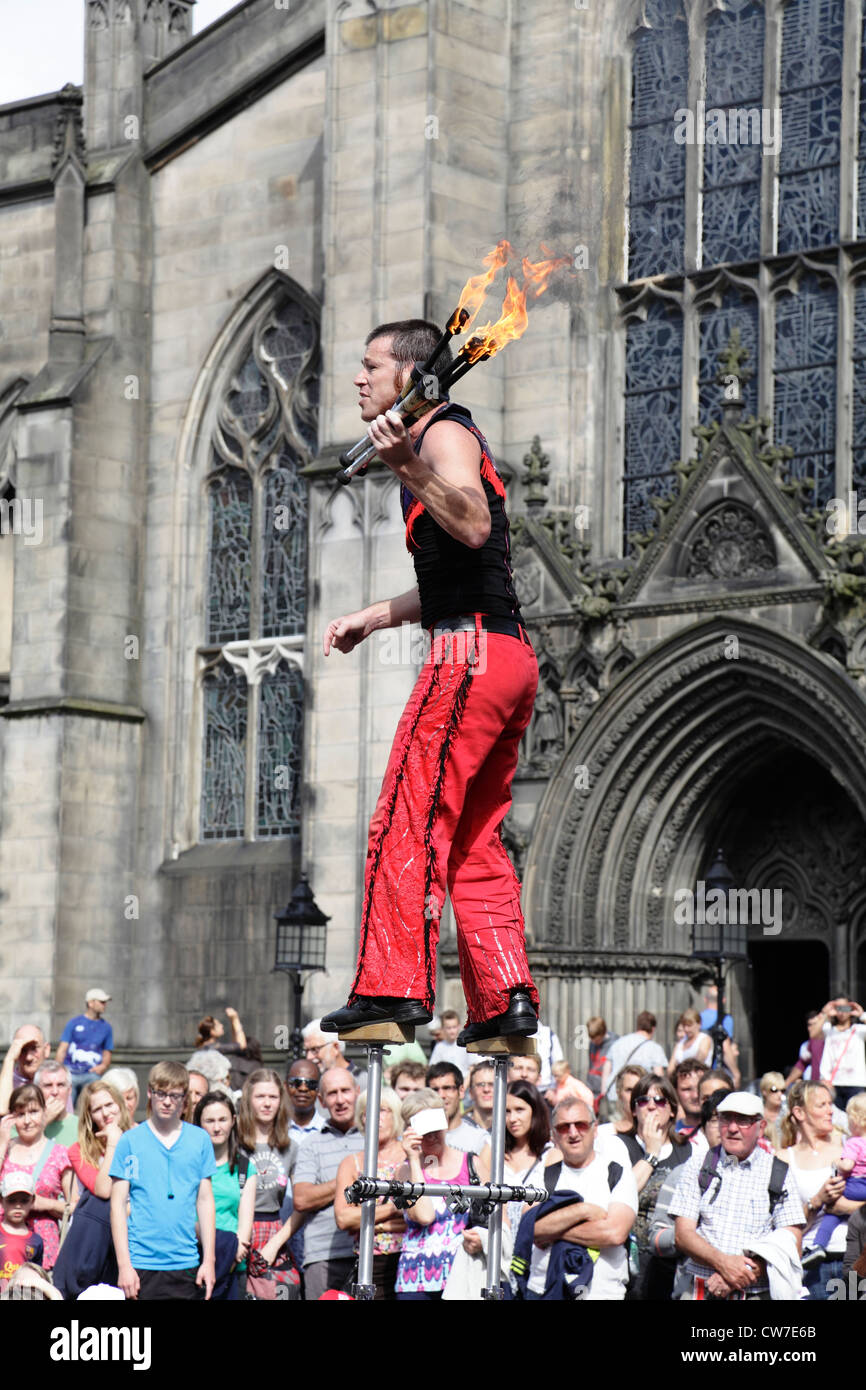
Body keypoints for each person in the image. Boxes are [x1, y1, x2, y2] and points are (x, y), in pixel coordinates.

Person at [320, 320, 540, 1047]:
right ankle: (504, 998)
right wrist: (372, 617)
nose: (358, 378)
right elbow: (458, 577)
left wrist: (408, 468)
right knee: (475, 838)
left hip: (467, 659)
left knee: (405, 818)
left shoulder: (444, 433)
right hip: (504, 654)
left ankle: (390, 989)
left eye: (370, 365)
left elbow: (473, 525)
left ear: (409, 378)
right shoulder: (441, 439)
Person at [670, 1091, 805, 1300]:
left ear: (761, 1128)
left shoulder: (778, 1172)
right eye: (725, 1119)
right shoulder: (698, 1164)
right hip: (699, 1290)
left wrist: (739, 1274)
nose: (732, 1128)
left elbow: (792, 1244)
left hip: (754, 1293)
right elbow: (682, 1235)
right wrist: (723, 1263)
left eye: (743, 1121)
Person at [109, 1061, 216, 1300]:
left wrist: (209, 1260)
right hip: (141, 1263)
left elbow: (205, 1200)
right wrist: (124, 1265)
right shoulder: (130, 1141)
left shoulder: (199, 1140)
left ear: (184, 1098)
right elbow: (117, 1205)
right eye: (161, 1093)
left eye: (174, 1095)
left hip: (186, 1261)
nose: (167, 1101)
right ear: (149, 1092)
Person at [525, 1097, 638, 1301]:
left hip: (602, 1294)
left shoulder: (617, 1173)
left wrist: (552, 1229)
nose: (573, 1133)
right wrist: (583, 1211)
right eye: (563, 1127)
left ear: (595, 1129)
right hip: (543, 1291)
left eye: (581, 1125)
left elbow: (614, 1233)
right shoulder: (542, 1174)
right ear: (554, 1136)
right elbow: (529, 1228)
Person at [778, 1079, 864, 1299]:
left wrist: (846, 1207)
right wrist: (817, 1201)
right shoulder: (785, 1159)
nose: (830, 1111)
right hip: (813, 1263)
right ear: (799, 1112)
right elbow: (783, 1228)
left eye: (830, 1104)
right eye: (821, 1105)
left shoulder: (851, 1146)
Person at [53, 1080, 132, 1299]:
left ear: (120, 1103)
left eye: (109, 1104)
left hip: (134, 1223)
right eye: (97, 1109)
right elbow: (104, 1190)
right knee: (95, 1201)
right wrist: (113, 1143)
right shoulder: (79, 1150)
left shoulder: (141, 1137)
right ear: (89, 1116)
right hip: (100, 1234)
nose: (106, 1113)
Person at [292, 1067, 364, 1300]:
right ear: (321, 1100)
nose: (340, 1100)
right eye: (332, 1093)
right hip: (323, 1254)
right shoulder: (311, 1144)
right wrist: (350, 1179)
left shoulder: (374, 1137)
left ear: (358, 1092)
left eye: (345, 1091)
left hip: (373, 1250)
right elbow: (302, 1199)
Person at [618, 1073, 691, 1299]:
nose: (651, 1106)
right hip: (629, 1261)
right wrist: (652, 1153)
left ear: (672, 1110)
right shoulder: (619, 1145)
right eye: (642, 1100)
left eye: (660, 1101)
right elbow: (622, 1194)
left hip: (672, 1261)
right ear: (633, 1110)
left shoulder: (689, 1151)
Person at [395, 1088, 473, 1299]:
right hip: (415, 1280)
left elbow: (496, 1216)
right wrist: (413, 1159)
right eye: (423, 1128)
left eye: (435, 1125)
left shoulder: (470, 1163)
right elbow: (424, 1216)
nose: (431, 1135)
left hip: (460, 1276)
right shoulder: (404, 1171)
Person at [334, 1087, 407, 1299]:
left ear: (395, 1114)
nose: (375, 1117)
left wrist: (370, 1224)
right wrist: (392, 1209)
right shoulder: (352, 1163)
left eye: (382, 1110)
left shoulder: (412, 1157)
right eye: (367, 1112)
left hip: (408, 1258)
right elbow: (343, 1218)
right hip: (369, 1264)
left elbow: (418, 1216)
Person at [236, 1069, 299, 1297]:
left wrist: (275, 1244)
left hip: (273, 1231)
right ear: (248, 1100)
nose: (267, 1104)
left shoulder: (290, 1147)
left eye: (272, 1097)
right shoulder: (235, 1142)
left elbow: (302, 1205)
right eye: (260, 1097)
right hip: (236, 1229)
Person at [0, 1084, 73, 1269]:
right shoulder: (4, 1149)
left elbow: (75, 1206)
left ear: (44, 1112)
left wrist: (46, 1204)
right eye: (20, 1114)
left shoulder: (59, 1153)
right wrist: (2, 1142)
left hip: (42, 1251)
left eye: (33, 1112)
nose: (27, 1120)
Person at [195, 1091, 257, 1300]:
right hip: (195, 1260)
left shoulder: (245, 1168)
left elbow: (245, 1224)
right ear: (199, 1124)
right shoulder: (189, 1166)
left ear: (233, 1121)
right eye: (209, 1121)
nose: (216, 1127)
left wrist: (232, 1254)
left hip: (232, 1265)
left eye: (222, 1119)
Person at [808, 1092, 866, 1258]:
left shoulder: (853, 1142)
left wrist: (836, 1163)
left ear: (855, 1120)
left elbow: (847, 1165)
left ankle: (818, 1245)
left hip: (854, 1185)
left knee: (832, 1213)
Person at [55, 989, 114, 1100]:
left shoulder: (106, 1027)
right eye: (101, 1002)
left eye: (105, 1002)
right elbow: (62, 1049)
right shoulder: (74, 1023)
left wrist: (103, 1066)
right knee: (66, 1101)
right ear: (91, 1003)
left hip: (91, 1074)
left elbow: (107, 1052)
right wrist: (58, 1070)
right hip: (71, 1071)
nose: (105, 1005)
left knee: (93, 1100)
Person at [601, 1013, 667, 1107]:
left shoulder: (618, 1042)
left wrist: (604, 1091)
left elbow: (606, 1068)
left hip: (614, 1094)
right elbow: (658, 1076)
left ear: (638, 1026)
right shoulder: (654, 1048)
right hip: (640, 1099)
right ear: (653, 1029)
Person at [426, 1062, 489, 1156]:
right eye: (435, 1090)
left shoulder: (479, 1140)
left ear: (461, 1091)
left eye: (447, 1088)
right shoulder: (421, 1137)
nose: (441, 1095)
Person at [817, 997, 866, 1107]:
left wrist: (862, 1014)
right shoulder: (829, 1030)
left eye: (845, 1008)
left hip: (855, 1082)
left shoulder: (859, 1030)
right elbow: (813, 1034)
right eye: (838, 1008)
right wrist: (825, 1013)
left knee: (857, 1115)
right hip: (833, 1082)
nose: (842, 1012)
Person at [0, 1173, 43, 1284]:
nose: (18, 1206)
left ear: (32, 1201)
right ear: (1, 1200)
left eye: (24, 1201)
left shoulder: (36, 1241)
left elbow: (37, 1277)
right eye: (12, 1200)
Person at [596, 1065, 647, 1151]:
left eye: (639, 1090)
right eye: (629, 1090)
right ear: (619, 1094)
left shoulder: (659, 1134)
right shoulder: (603, 1133)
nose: (635, 1095)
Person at [0, 1025, 50, 1112]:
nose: (29, 1057)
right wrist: (9, 1059)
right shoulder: (6, 1082)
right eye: (23, 1050)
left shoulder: (56, 1081)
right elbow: (2, 1110)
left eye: (34, 1048)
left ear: (46, 1050)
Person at [33, 1062, 77, 1143]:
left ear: (69, 1090)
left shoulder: (82, 1126)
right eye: (48, 1085)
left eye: (60, 1085)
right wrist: (44, 1120)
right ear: (37, 1091)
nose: (55, 1092)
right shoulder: (24, 1124)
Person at [285, 1059, 326, 1144]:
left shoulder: (328, 1131)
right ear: (285, 1086)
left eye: (311, 1084)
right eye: (296, 1083)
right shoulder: (273, 1130)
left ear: (319, 1089)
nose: (303, 1088)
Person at [428, 1009, 473, 1079]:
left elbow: (472, 1068)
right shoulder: (439, 1047)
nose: (452, 1031)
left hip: (465, 1082)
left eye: (454, 1027)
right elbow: (433, 1067)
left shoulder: (466, 1045)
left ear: (459, 1026)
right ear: (443, 1028)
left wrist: (464, 1086)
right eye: (448, 1028)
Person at [586, 1016, 617, 1117]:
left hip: (606, 1093)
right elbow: (592, 1064)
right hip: (592, 1089)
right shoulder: (592, 1043)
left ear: (603, 1033)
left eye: (596, 1039)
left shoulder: (614, 1044)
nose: (594, 1042)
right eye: (592, 1039)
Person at [785, 1010, 825, 1086]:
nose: (811, 1028)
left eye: (815, 1024)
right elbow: (802, 1063)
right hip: (814, 1086)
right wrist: (786, 1084)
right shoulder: (810, 1044)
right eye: (809, 1025)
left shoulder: (832, 1040)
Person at [672, 1059, 710, 1138]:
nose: (695, 1095)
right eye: (687, 1089)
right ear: (675, 1092)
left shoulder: (721, 1133)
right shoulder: (669, 1134)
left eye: (699, 1089)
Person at [667, 1010, 712, 1074]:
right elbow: (670, 1068)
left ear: (699, 1024)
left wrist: (679, 1066)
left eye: (689, 1026)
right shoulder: (680, 1043)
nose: (686, 1029)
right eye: (684, 1026)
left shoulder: (704, 1039)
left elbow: (698, 1062)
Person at [463, 1062, 495, 1131]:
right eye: (480, 1085)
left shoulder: (510, 1129)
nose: (486, 1089)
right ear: (471, 1093)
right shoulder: (461, 1127)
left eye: (492, 1084)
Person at [760, 1071, 787, 1150]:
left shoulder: (788, 1114)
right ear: (764, 1091)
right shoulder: (757, 1114)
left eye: (782, 1090)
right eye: (774, 1090)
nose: (779, 1094)